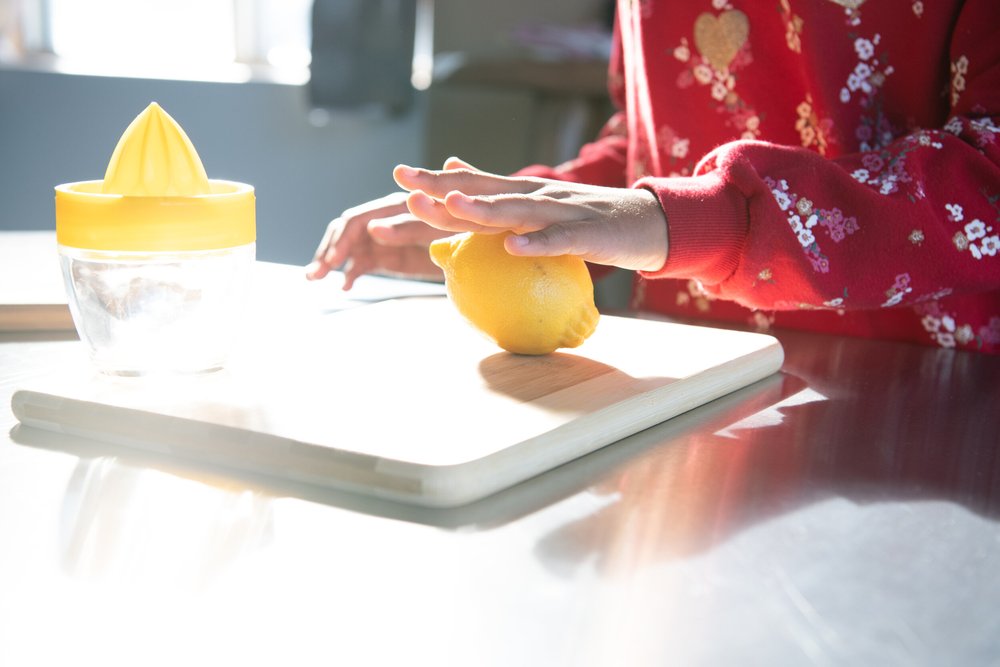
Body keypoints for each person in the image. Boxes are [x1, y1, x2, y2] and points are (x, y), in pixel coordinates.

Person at [306, 0, 1000, 354]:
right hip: (692, 377)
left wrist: (681, 219)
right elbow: (658, 143)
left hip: (923, 400)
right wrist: (518, 215)